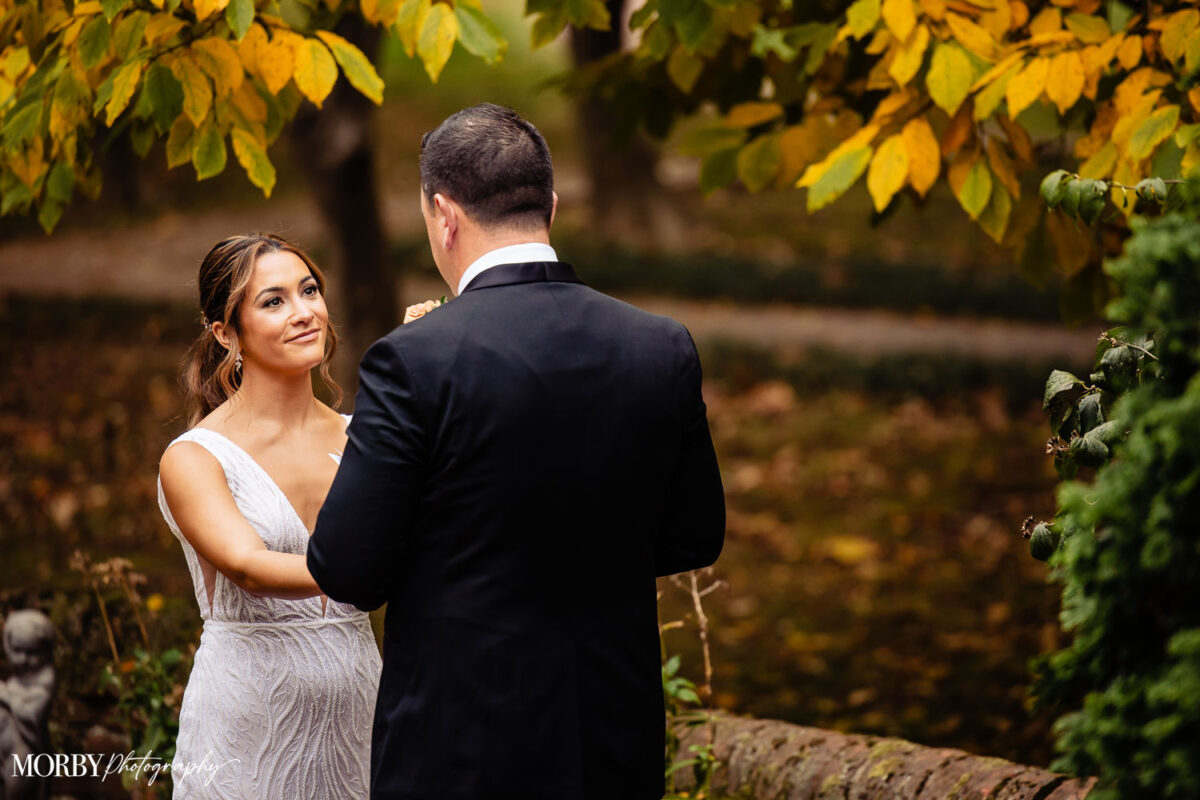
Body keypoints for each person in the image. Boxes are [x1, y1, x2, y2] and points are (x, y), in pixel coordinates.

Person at [307, 103, 726, 800]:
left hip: (462, 743)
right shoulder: (661, 345)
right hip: (611, 737)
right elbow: (695, 534)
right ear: (550, 207)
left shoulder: (414, 360)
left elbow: (348, 567)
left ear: (444, 215)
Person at [157, 235, 381, 799]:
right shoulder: (196, 456)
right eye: (274, 301)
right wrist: (372, 565)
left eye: (309, 291)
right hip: (247, 722)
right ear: (225, 333)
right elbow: (248, 566)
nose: (304, 312)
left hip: (360, 713)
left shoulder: (366, 439)